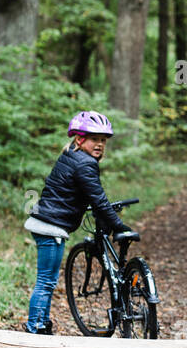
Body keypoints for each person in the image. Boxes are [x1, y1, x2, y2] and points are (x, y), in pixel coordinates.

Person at [22, 111, 133, 334]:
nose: (100, 144)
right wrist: (120, 226)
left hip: (46, 222)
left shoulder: (72, 156)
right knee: (46, 280)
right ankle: (35, 326)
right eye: (94, 139)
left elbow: (80, 193)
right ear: (79, 139)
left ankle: (42, 323)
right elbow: (99, 199)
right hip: (50, 227)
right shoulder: (85, 164)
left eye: (103, 140)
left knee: (47, 279)